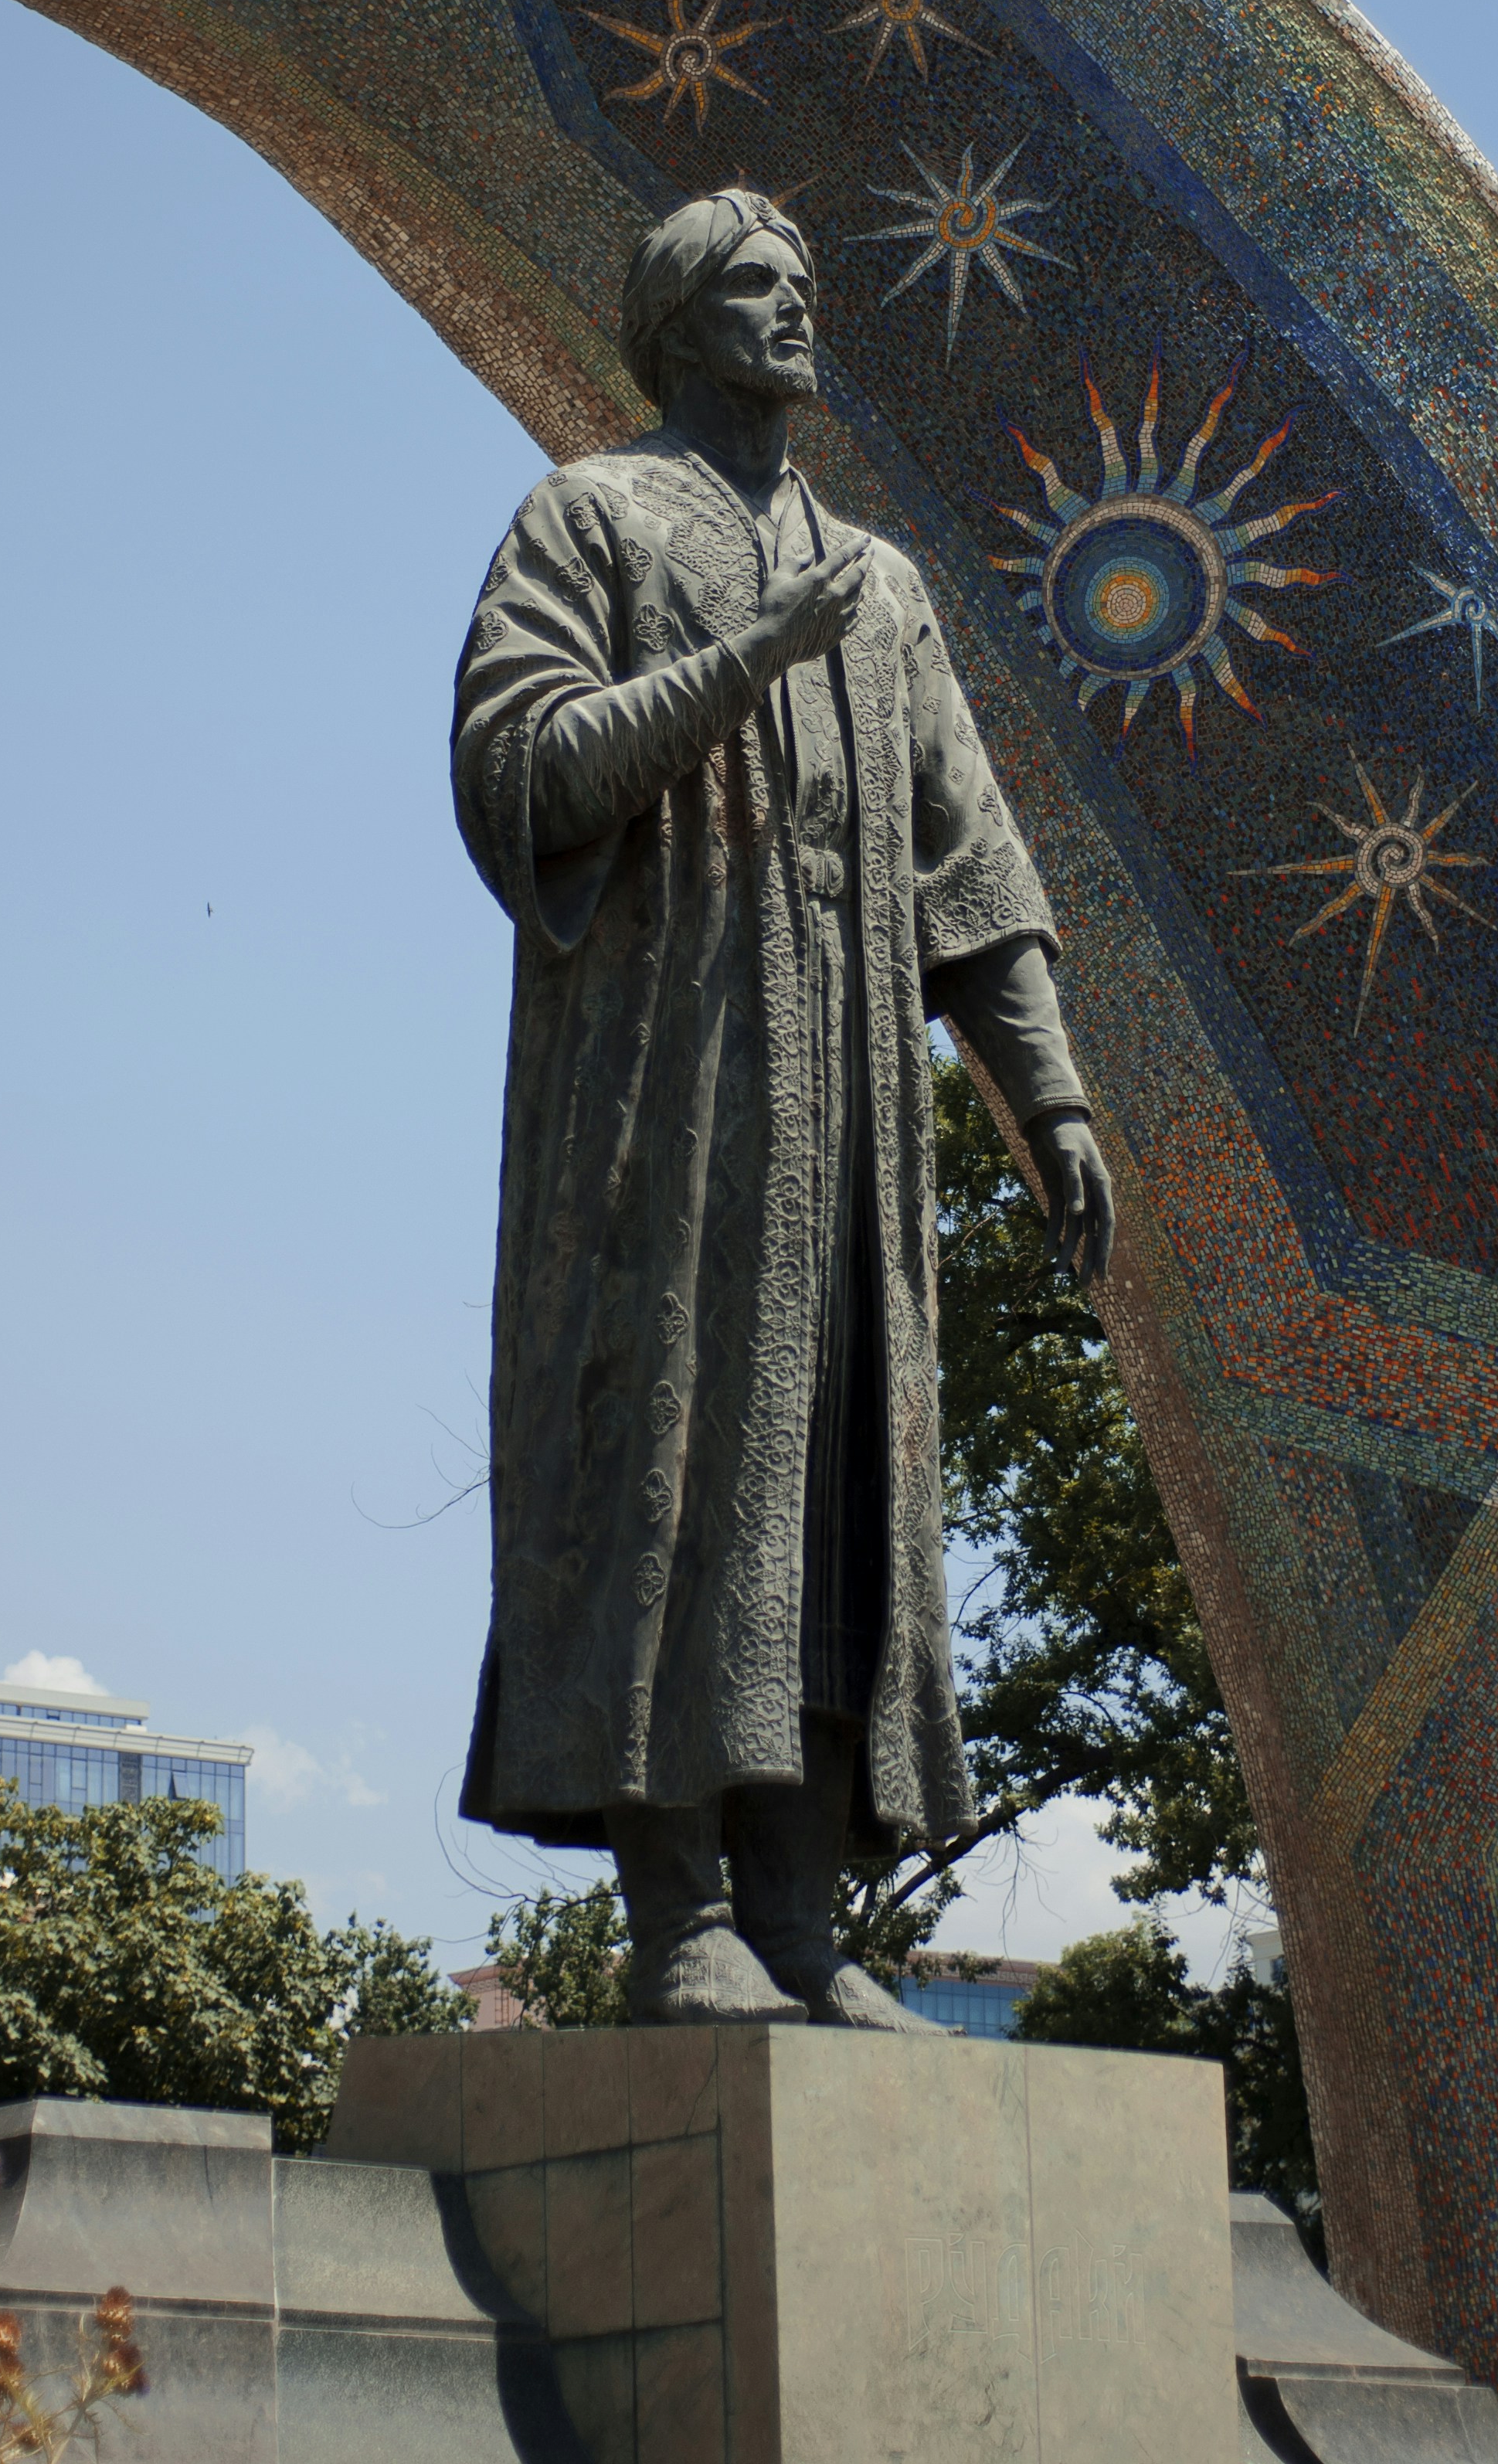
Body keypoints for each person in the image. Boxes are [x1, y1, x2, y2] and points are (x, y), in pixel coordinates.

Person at [451, 189, 1113, 2027]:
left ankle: (807, 1921)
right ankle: (681, 1923)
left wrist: (1046, 1091)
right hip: (661, 1090)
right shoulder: (589, 515)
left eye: (809, 284)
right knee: (675, 1453)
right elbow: (518, 768)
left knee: (837, 1480)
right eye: (757, 284)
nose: (798, 306)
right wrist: (746, 657)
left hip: (849, 1115)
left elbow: (969, 863)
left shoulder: (880, 583)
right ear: (678, 321)